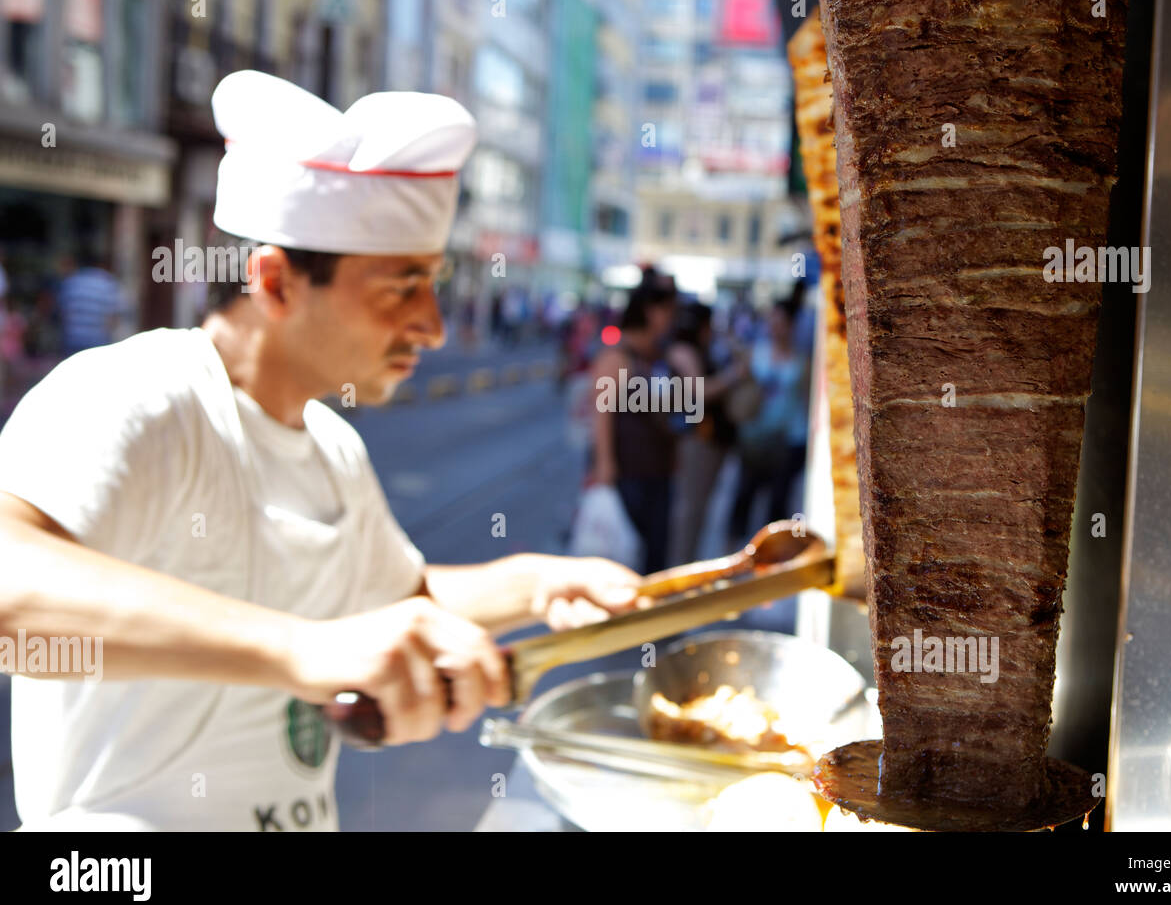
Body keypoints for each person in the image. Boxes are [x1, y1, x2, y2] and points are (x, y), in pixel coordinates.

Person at [0, 71, 646, 831]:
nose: (433, 327)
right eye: (401, 288)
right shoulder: (140, 394)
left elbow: (391, 604)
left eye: (433, 285)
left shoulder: (332, 444)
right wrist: (302, 650)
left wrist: (535, 584)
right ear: (275, 282)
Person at [589, 271, 679, 574]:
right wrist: (605, 464)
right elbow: (600, 413)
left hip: (659, 471)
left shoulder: (657, 356)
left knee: (654, 559)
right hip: (628, 473)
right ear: (650, 312)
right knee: (623, 562)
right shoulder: (617, 357)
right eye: (666, 310)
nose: (671, 318)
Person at [665, 301, 748, 565]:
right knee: (691, 512)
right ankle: (680, 570)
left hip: (710, 441)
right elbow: (698, 391)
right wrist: (733, 376)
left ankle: (685, 567)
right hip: (699, 441)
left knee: (697, 511)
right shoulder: (682, 350)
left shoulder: (701, 348)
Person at [727, 296, 811, 545]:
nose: (775, 325)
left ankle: (773, 551)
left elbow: (805, 400)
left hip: (786, 440)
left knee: (778, 499)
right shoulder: (754, 354)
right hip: (754, 437)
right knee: (744, 495)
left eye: (780, 320)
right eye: (771, 319)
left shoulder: (801, 362)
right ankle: (736, 549)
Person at [56, 251, 125, 355]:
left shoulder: (71, 281)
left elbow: (62, 312)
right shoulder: (108, 282)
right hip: (97, 341)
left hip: (72, 339)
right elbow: (114, 317)